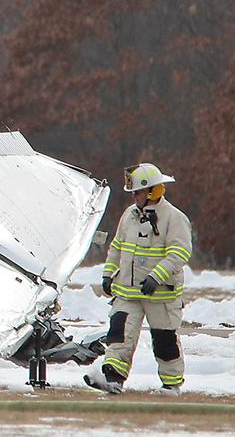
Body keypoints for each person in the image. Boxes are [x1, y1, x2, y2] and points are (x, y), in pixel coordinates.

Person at [84, 163, 193, 395]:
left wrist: (157, 276)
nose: (134, 197)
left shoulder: (174, 218)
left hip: (161, 295)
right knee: (119, 335)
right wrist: (108, 274)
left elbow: (179, 253)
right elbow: (117, 246)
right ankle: (112, 379)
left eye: (137, 192)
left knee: (165, 341)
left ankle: (172, 386)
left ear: (153, 191)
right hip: (127, 294)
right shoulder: (129, 216)